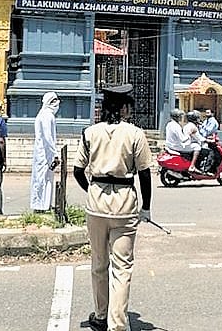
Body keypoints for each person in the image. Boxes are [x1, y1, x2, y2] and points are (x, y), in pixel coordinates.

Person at [72, 83, 154, 331]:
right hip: (125, 204)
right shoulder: (135, 134)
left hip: (96, 203)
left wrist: (93, 189)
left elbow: (77, 172)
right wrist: (146, 208)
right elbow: (145, 174)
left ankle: (100, 314)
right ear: (124, 108)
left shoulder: (90, 132)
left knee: (99, 263)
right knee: (122, 266)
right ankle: (117, 324)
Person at [31, 92, 61, 212]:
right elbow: (48, 137)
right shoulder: (47, 116)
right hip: (45, 153)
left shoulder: (43, 115)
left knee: (45, 178)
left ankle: (44, 204)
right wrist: (55, 154)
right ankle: (41, 205)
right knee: (42, 178)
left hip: (44, 152)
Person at [164, 109, 201, 174]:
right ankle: (192, 166)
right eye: (180, 116)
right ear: (177, 117)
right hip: (177, 146)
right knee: (197, 147)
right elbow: (182, 139)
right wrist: (189, 134)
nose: (182, 118)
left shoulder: (169, 124)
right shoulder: (176, 126)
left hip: (170, 145)